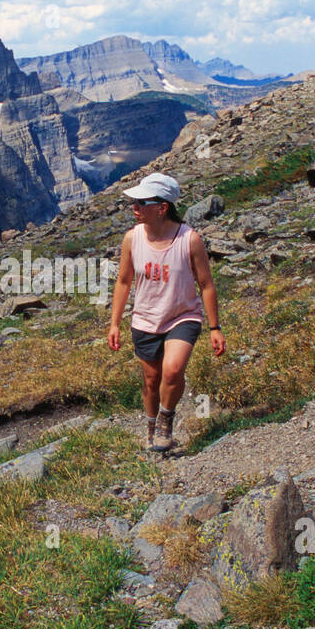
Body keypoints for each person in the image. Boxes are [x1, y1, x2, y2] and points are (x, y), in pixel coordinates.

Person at [107, 173, 225, 451]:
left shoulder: (189, 240)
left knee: (172, 371)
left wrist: (214, 327)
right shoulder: (131, 239)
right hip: (145, 319)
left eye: (141, 202)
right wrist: (115, 323)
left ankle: (165, 422)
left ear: (162, 208)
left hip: (183, 315)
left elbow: (206, 284)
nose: (134, 207)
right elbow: (123, 282)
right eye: (133, 202)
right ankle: (150, 424)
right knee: (151, 379)